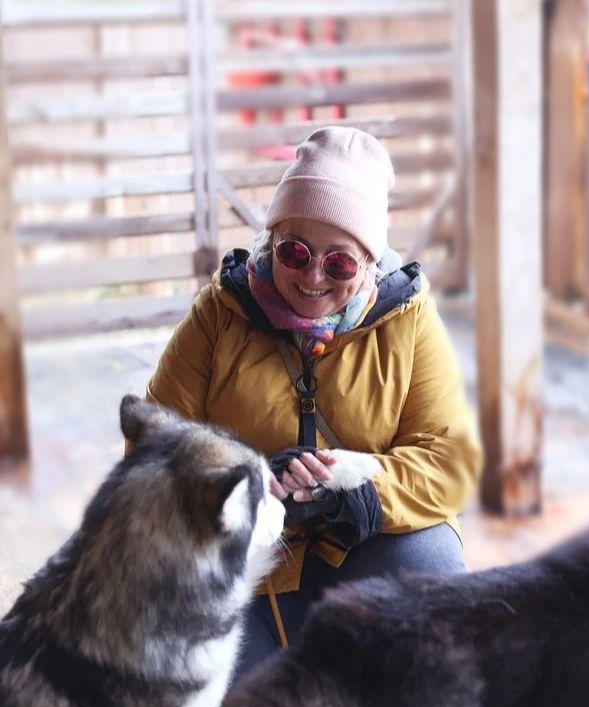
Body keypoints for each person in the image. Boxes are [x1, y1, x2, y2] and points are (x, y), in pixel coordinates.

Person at [145, 126, 482, 675]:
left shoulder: (407, 319)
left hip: (360, 550)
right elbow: (154, 447)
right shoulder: (220, 313)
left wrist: (360, 491)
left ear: (370, 262)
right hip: (245, 564)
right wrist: (247, 481)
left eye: (341, 263)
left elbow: (452, 461)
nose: (312, 276)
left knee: (433, 566)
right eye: (295, 251)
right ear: (272, 238)